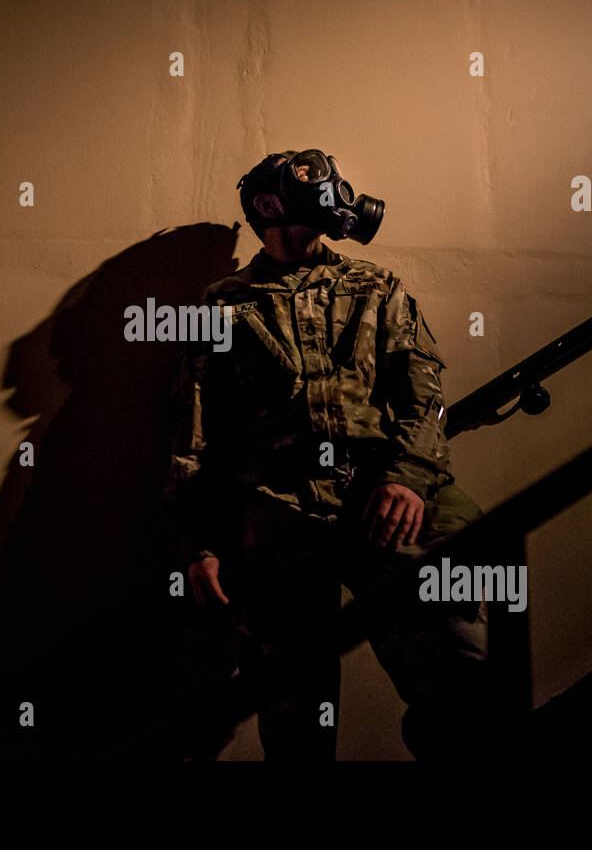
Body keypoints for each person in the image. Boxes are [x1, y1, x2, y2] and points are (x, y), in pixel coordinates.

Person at [162, 150, 492, 760]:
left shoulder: (376, 287)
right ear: (268, 206)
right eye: (316, 185)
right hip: (275, 514)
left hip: (380, 498)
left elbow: (425, 397)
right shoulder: (221, 305)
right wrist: (199, 542)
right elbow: (196, 436)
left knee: (460, 674)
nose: (339, 195)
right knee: (293, 719)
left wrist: (410, 479)